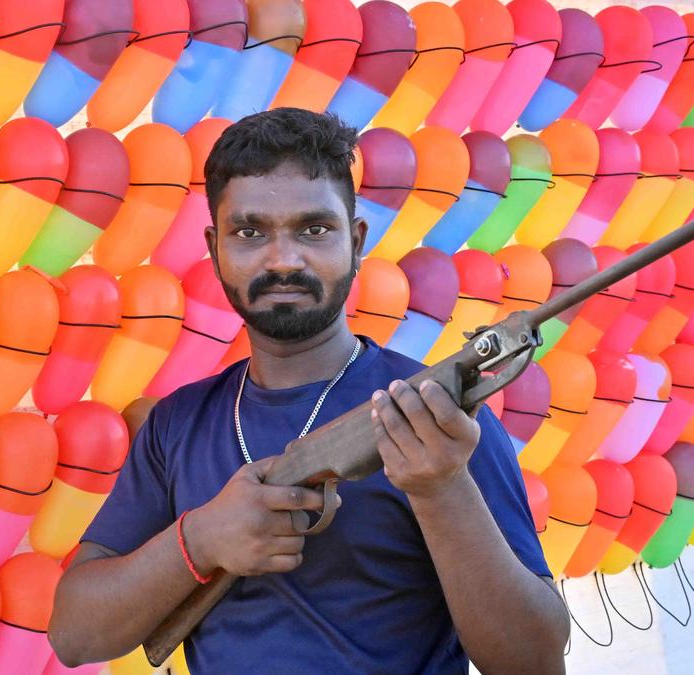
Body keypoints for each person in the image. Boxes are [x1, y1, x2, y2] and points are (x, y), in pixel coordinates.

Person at [49, 108, 569, 673]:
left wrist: (441, 489)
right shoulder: (177, 424)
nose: (283, 260)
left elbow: (534, 661)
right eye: (249, 232)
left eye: (314, 229)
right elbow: (75, 635)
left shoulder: (434, 417)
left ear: (357, 239)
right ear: (215, 245)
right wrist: (200, 541)